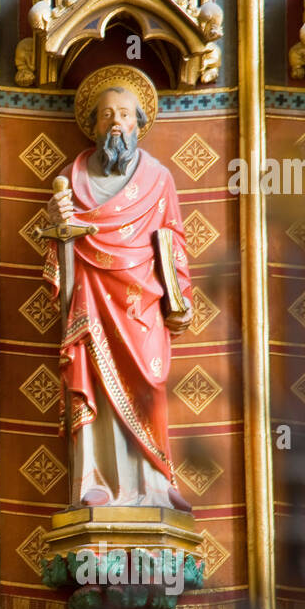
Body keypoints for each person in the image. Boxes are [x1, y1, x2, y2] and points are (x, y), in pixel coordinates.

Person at [42, 65, 193, 511]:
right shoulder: (74, 181)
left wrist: (178, 294)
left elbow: (174, 238)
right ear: (92, 125)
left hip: (142, 301)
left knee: (150, 384)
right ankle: (95, 479)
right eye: (106, 115)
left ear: (139, 125)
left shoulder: (159, 178)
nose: (115, 123)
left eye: (125, 115)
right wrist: (58, 227)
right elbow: (62, 248)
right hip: (91, 297)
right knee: (95, 385)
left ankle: (155, 482)